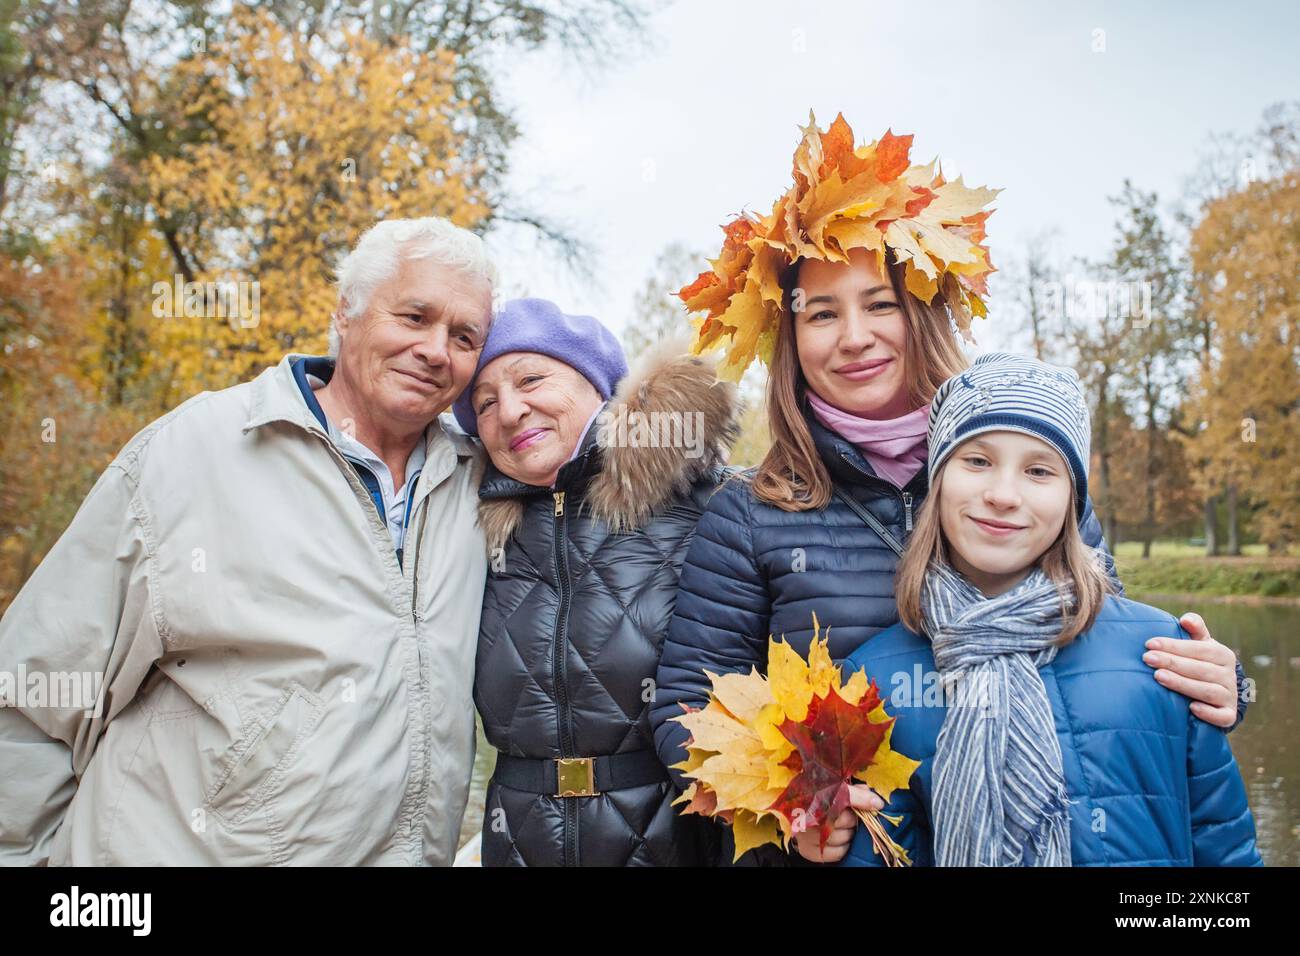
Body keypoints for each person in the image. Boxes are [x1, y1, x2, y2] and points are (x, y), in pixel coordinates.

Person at [650, 114, 1249, 866]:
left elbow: (1102, 652)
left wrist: (1221, 688)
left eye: (880, 304)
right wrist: (797, 798)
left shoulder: (1015, 466)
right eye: (822, 314)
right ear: (790, 341)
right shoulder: (751, 511)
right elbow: (685, 710)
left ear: (922, 312)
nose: (854, 336)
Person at [0, 217, 494, 865]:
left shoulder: (477, 488)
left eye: (464, 337)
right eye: (413, 316)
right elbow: (33, 696)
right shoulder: (196, 452)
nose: (436, 350)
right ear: (345, 313)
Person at [838, 352, 1260, 867]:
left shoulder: (1162, 653)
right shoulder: (872, 679)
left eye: (1039, 471)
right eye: (977, 461)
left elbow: (1226, 850)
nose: (1003, 495)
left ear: (1072, 502)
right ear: (938, 482)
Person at [456, 299, 738, 865]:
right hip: (517, 842)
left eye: (531, 379)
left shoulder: (703, 502)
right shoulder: (466, 531)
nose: (510, 411)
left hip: (683, 838)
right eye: (484, 404)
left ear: (596, 385)